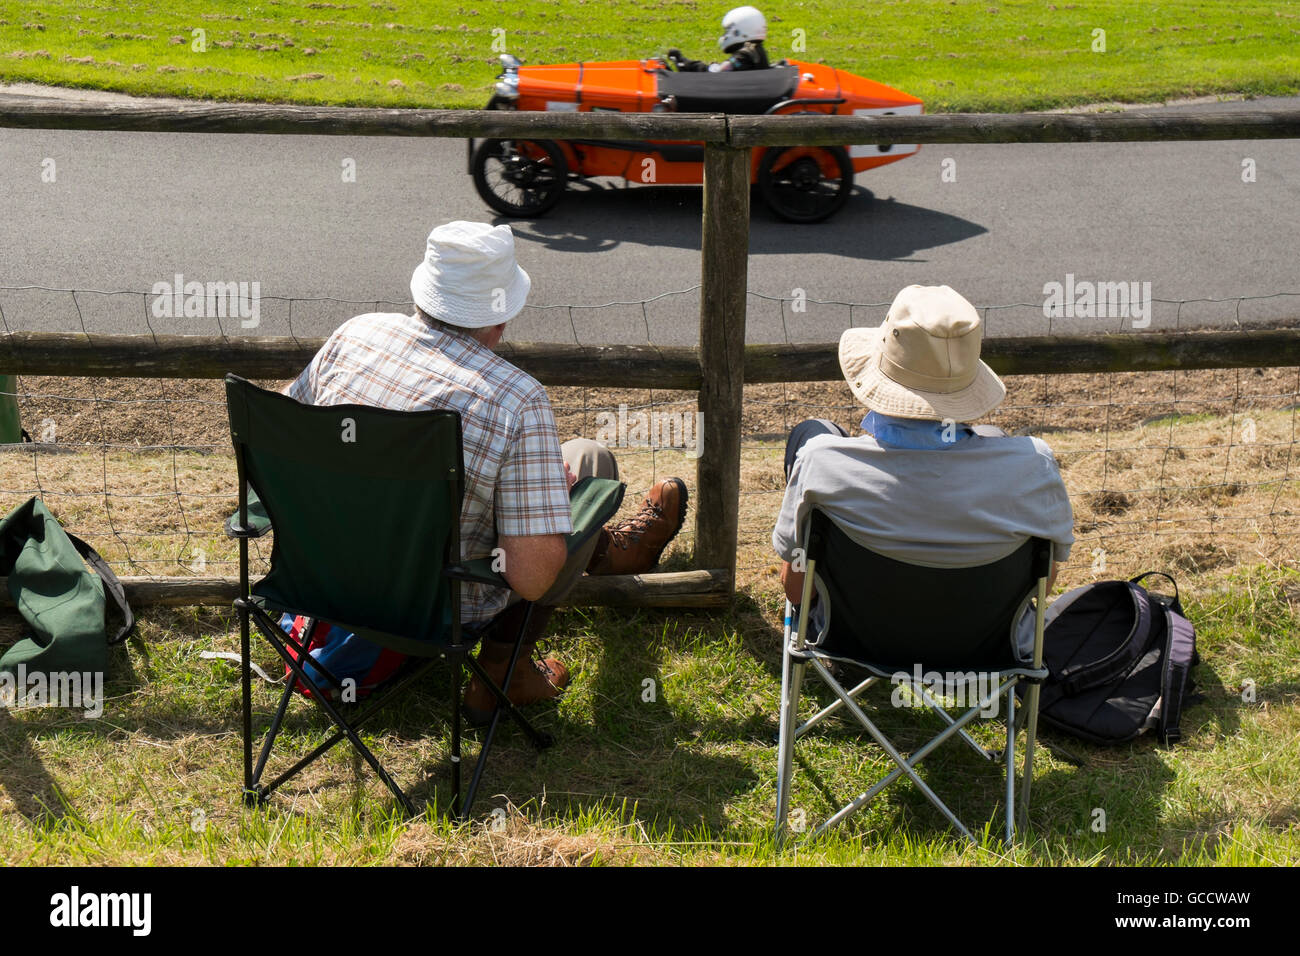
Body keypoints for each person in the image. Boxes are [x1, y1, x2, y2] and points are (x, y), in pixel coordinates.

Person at [286, 221, 687, 721]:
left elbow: (290, 443)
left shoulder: (355, 335)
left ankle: (609, 552)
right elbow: (533, 578)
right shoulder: (516, 398)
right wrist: (546, 500)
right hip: (438, 603)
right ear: (501, 318)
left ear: (424, 292)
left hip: (325, 577)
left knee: (565, 468)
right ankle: (503, 674)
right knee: (591, 463)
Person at [773, 285, 1074, 654]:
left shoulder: (821, 462)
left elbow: (795, 588)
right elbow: (1043, 587)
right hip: (986, 646)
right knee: (992, 436)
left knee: (812, 430)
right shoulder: (1034, 469)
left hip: (849, 638)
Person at [668, 5, 771, 73]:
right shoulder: (757, 51)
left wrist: (686, 64)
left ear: (739, 31)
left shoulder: (745, 54)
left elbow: (717, 73)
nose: (725, 35)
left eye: (728, 30)